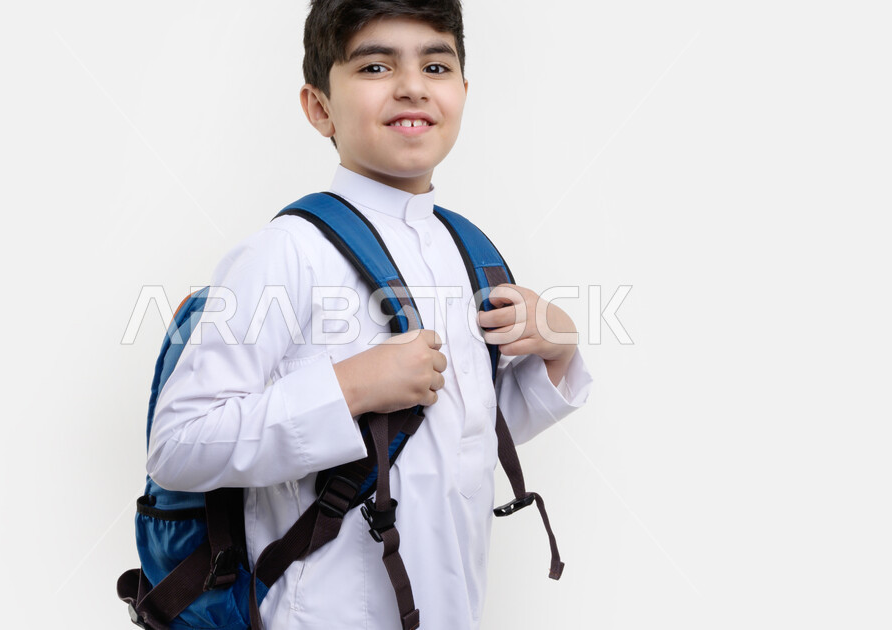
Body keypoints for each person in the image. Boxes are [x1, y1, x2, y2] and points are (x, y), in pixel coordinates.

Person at [145, 1, 593, 627]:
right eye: (376, 66)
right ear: (319, 107)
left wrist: (559, 352)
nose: (412, 87)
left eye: (436, 66)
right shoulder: (285, 252)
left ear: (463, 93)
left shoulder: (469, 251)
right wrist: (349, 388)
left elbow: (452, 442)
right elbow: (179, 446)